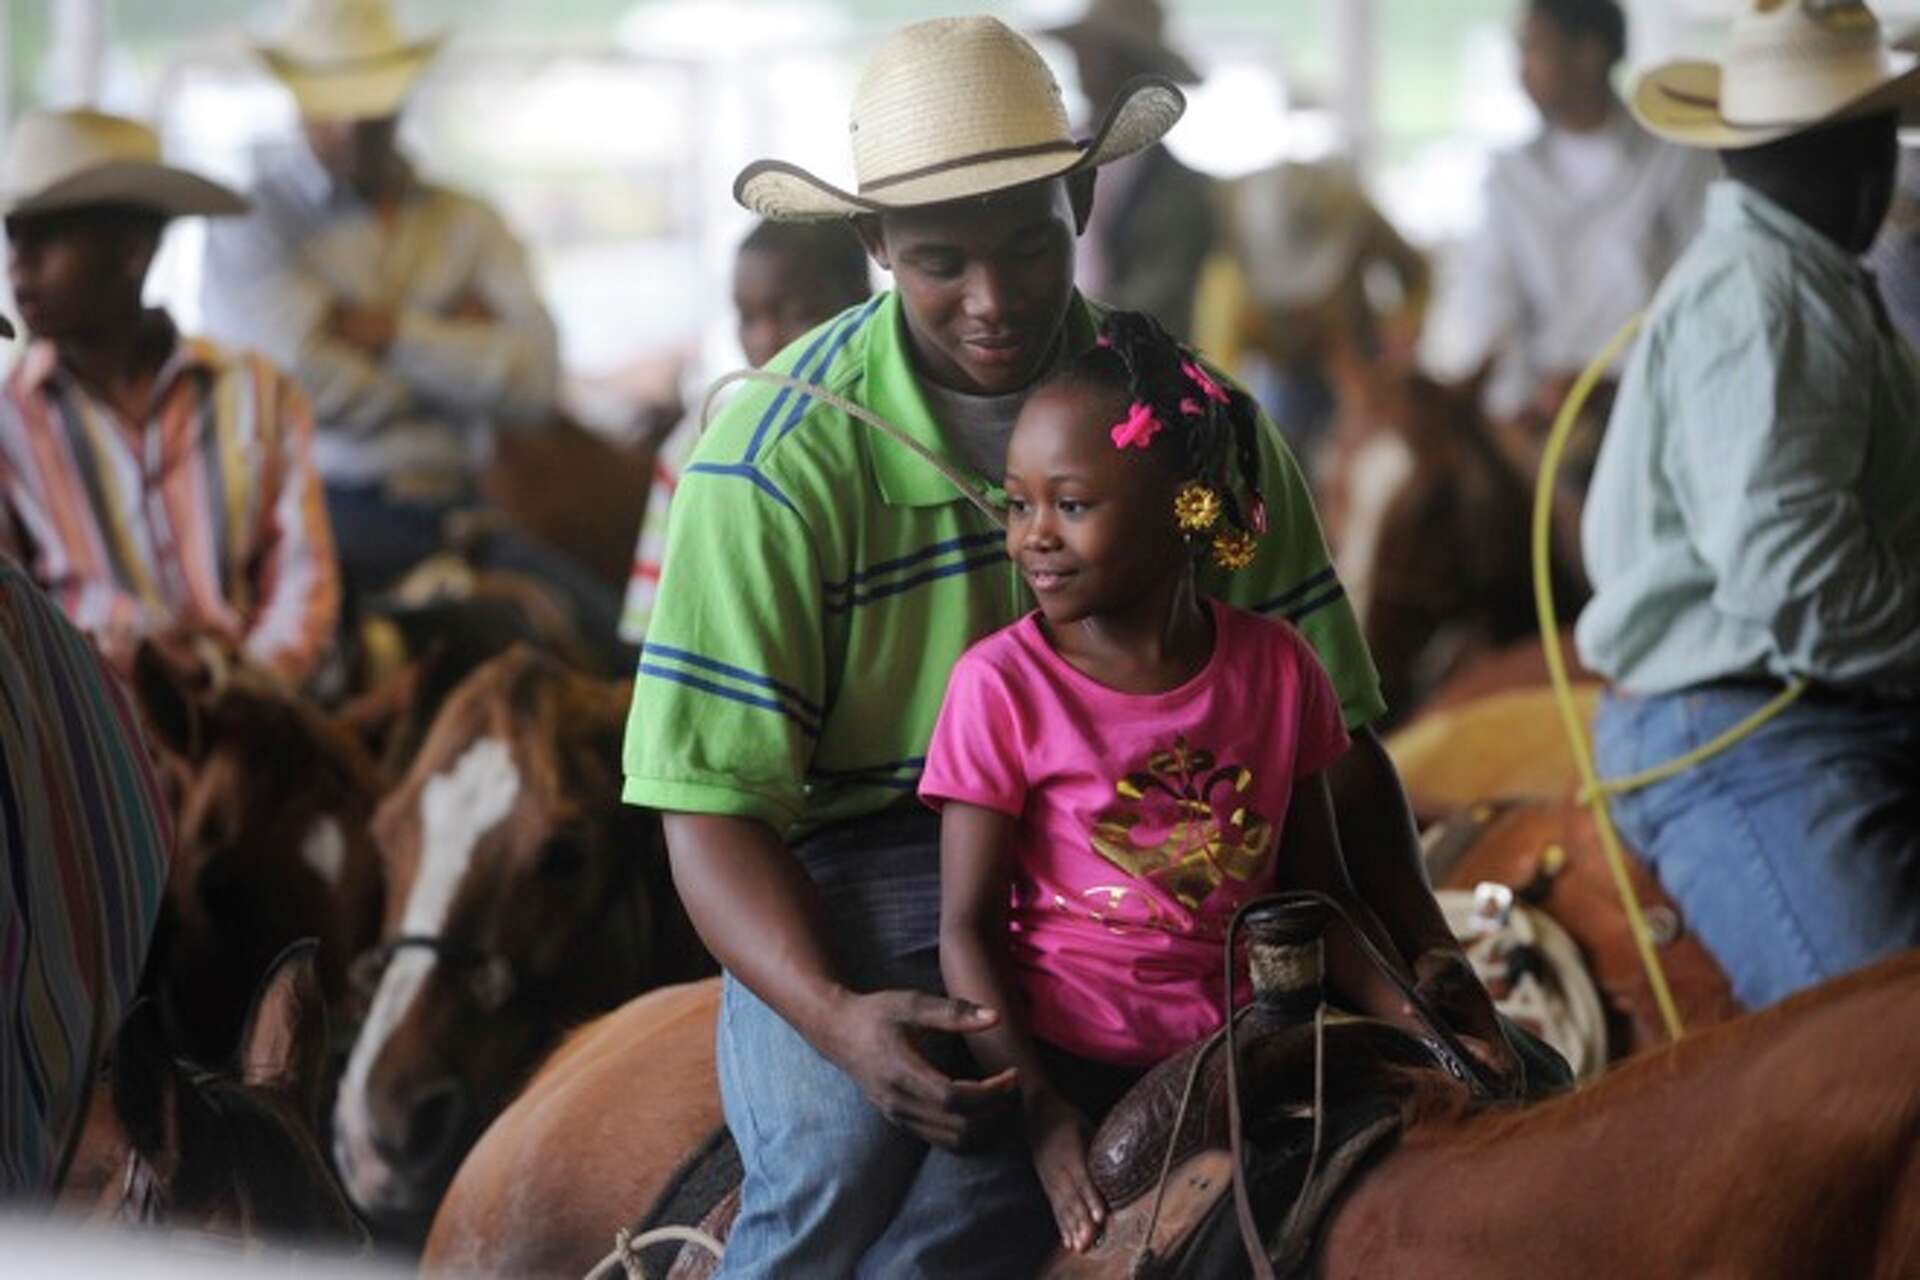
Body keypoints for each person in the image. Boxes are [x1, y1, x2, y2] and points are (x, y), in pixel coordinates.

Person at [622, 18, 1523, 1277]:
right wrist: (838, 1018)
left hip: (1171, 846)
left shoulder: (1200, 435)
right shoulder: (770, 465)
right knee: (830, 1158)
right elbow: (705, 809)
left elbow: (1334, 745)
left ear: (1083, 196)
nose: (993, 300)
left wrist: (1424, 954)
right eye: (939, 261)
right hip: (859, 859)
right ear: (872, 245)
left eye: (1031, 244)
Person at [926, 312, 1445, 1252]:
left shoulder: (1280, 669)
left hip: (1251, 1056)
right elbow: (964, 927)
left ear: (1186, 507)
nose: (1031, 538)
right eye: (1018, 504)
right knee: (933, 1255)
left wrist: (1420, 1026)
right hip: (1069, 1062)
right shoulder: (999, 687)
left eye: (1071, 506)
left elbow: (1319, 898)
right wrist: (1039, 1115)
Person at [1579, 0, 1920, 1010]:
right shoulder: (1771, 295)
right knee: (1890, 1046)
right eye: (1885, 138)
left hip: (1811, 705)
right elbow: (1803, 585)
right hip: (1751, 733)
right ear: (1856, 154)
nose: (1892, 166)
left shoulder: (1799, 278)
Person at [200, 0, 623, 658]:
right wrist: (459, 357)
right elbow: (293, 387)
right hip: (320, 518)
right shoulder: (249, 225)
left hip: (462, 514)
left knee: (622, 654)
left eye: (368, 107)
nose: (350, 125)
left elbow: (536, 379)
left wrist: (386, 333)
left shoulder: (468, 220)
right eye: (334, 106)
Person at [0, 109, 338, 683]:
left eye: (51, 236)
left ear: (133, 251)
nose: (19, 263)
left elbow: (303, 581)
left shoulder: (256, 393)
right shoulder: (8, 421)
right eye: (14, 235)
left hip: (251, 708)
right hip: (89, 715)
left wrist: (244, 689)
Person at [1421, 0, 1714, 434]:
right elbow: (1489, 307)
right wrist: (1523, 402)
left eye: (1534, 48)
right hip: (1542, 420)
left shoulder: (1676, 160)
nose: (1521, 70)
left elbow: (1705, 301)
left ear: (1589, 53)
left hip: (1655, 410)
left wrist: (1611, 386)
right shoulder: (1510, 179)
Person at [0, 555, 173, 1196]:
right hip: (111, 661)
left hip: (217, 680)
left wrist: (239, 664)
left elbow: (305, 579)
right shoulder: (27, 605)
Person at [619, 219, 871, 643]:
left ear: (863, 303)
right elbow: (652, 630)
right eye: (747, 317)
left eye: (795, 313)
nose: (765, 340)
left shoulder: (900, 429)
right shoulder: (699, 442)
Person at [1194, 159, 1430, 465]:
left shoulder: (1355, 214)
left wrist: (1401, 330)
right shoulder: (1228, 285)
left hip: (1361, 352)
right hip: (1284, 375)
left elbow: (1416, 273)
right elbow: (1220, 376)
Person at [1047, 0, 1217, 339]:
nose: (1084, 61)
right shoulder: (1051, 153)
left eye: (1101, 51)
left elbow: (1158, 299)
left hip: (1131, 365)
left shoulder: (1178, 188)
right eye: (1082, 49)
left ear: (1135, 65)